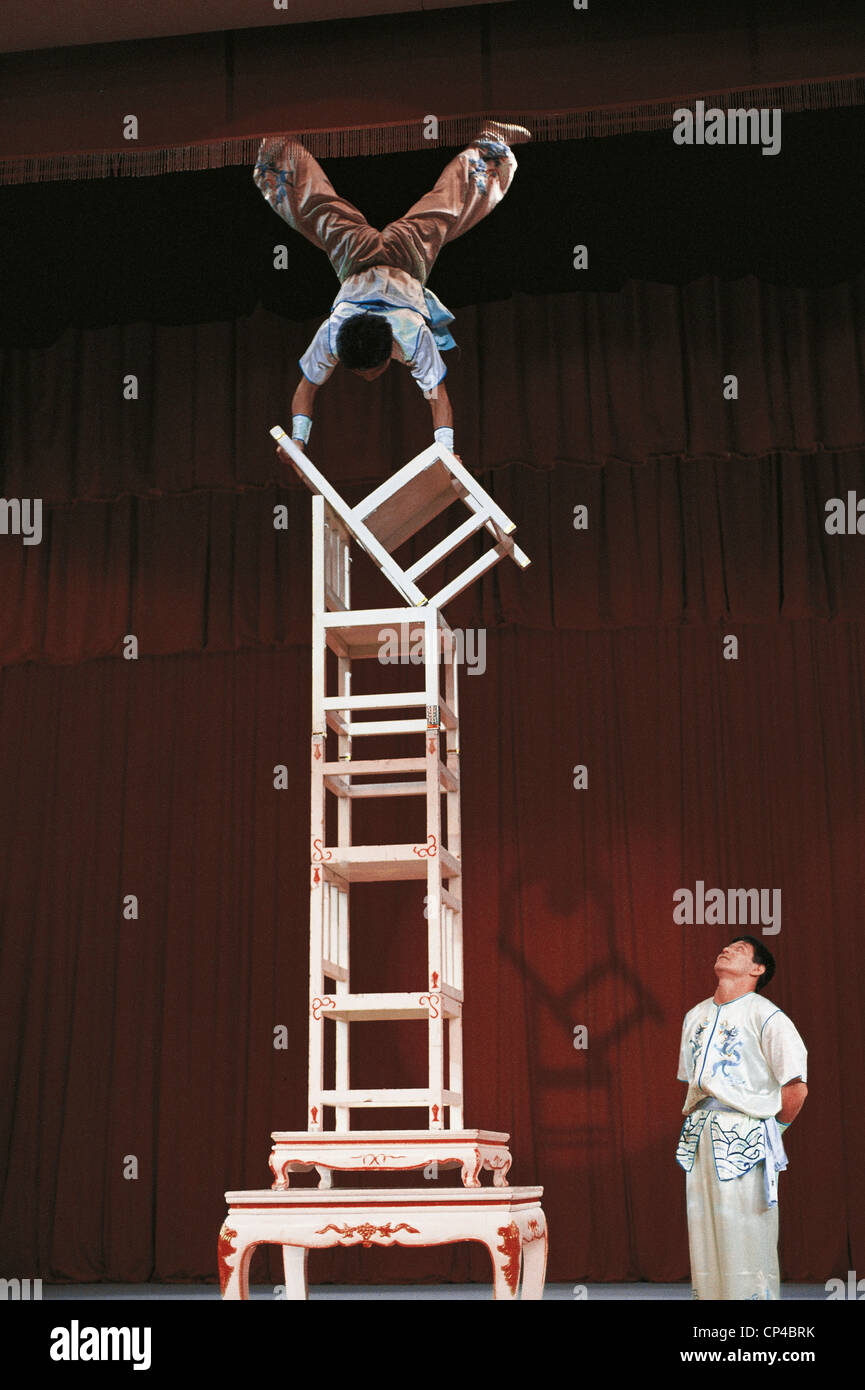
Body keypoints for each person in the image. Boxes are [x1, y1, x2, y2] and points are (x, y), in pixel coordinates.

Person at [253, 119, 530, 460]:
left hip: (355, 259)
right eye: (368, 372)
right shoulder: (402, 336)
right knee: (444, 210)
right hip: (406, 259)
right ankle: (491, 143)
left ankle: (278, 144)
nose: (370, 379)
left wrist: (300, 439)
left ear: (390, 352)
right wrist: (447, 452)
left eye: (369, 371)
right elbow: (437, 396)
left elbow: (307, 388)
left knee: (320, 211)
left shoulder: (347, 334)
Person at [676, 936, 808, 1299]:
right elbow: (692, 1082)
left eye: (739, 949)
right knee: (705, 1231)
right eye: (725, 947)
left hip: (746, 1132)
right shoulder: (695, 1016)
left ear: (757, 969)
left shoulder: (767, 1016)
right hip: (701, 1131)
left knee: (745, 1232)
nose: (726, 950)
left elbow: (796, 1087)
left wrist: (773, 1131)